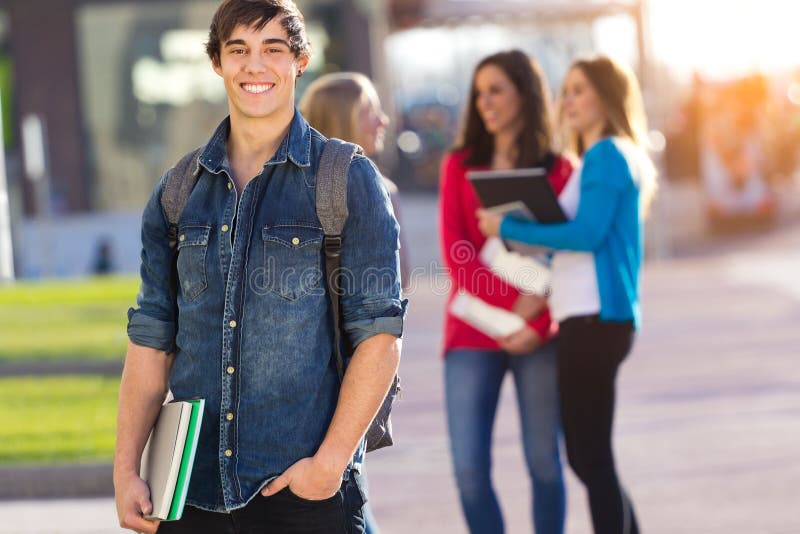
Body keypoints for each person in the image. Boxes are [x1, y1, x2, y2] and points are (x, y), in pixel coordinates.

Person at [113, 2, 406, 533]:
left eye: (273, 49)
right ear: (217, 64)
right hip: (190, 495)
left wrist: (329, 464)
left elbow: (379, 336)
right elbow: (152, 340)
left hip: (305, 494)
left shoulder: (344, 179)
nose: (255, 66)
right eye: (238, 50)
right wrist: (127, 469)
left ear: (299, 60)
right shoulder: (178, 192)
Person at [477, 55, 657, 534]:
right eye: (566, 90)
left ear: (607, 95)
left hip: (596, 319)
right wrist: (522, 244)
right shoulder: (596, 158)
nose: (569, 100)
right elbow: (574, 241)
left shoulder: (606, 155)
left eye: (580, 89)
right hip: (588, 317)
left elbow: (588, 234)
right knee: (589, 456)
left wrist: (510, 226)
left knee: (589, 457)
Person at [439, 50, 572, 534]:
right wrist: (514, 305)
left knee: (544, 465)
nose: (485, 101)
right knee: (470, 472)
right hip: (472, 333)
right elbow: (457, 253)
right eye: (480, 93)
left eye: (496, 89)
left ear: (525, 92)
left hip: (540, 338)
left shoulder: (561, 170)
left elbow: (567, 258)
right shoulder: (458, 165)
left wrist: (537, 323)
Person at [299, 71, 404, 534]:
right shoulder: (364, 192)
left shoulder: (380, 190)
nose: (382, 120)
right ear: (342, 119)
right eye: (369, 111)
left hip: (358, 361)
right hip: (323, 369)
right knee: (345, 484)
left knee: (345, 479)